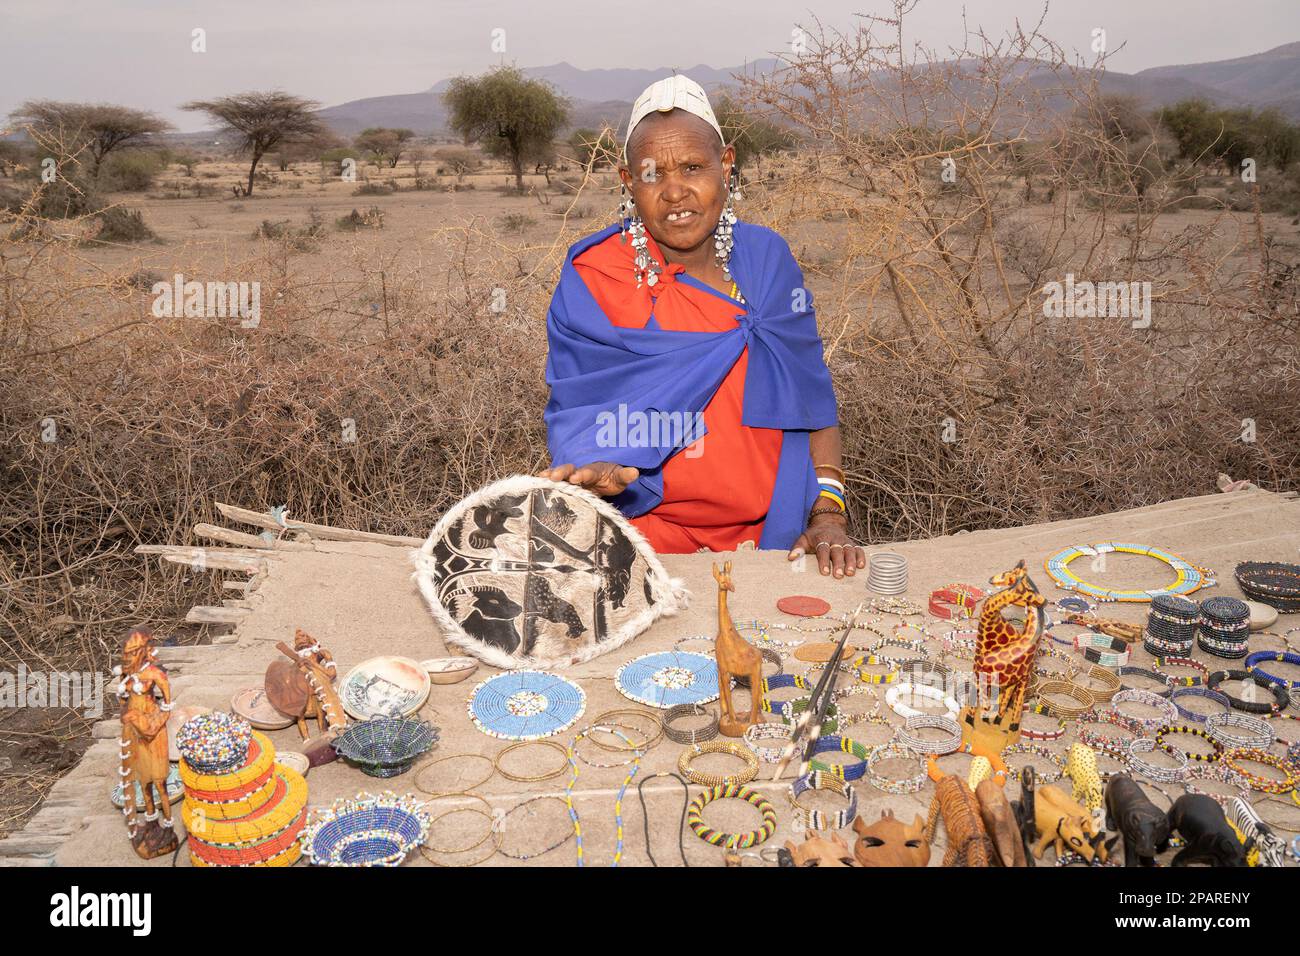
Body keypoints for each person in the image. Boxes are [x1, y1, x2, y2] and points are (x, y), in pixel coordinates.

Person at [541, 75, 865, 579]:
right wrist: (604, 467)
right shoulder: (595, 277)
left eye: (693, 167)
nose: (674, 192)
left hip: (774, 537)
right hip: (645, 541)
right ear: (628, 181)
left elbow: (811, 397)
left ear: (727, 165)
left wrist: (826, 514)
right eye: (652, 174)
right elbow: (580, 407)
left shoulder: (768, 261)